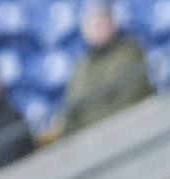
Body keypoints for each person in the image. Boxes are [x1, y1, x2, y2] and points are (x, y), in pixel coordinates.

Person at [51, 2, 152, 138]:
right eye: (91, 22)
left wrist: (90, 132)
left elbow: (129, 102)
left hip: (125, 135)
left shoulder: (130, 53)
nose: (96, 27)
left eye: (101, 21)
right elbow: (70, 110)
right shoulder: (80, 66)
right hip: (86, 143)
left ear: (112, 24)